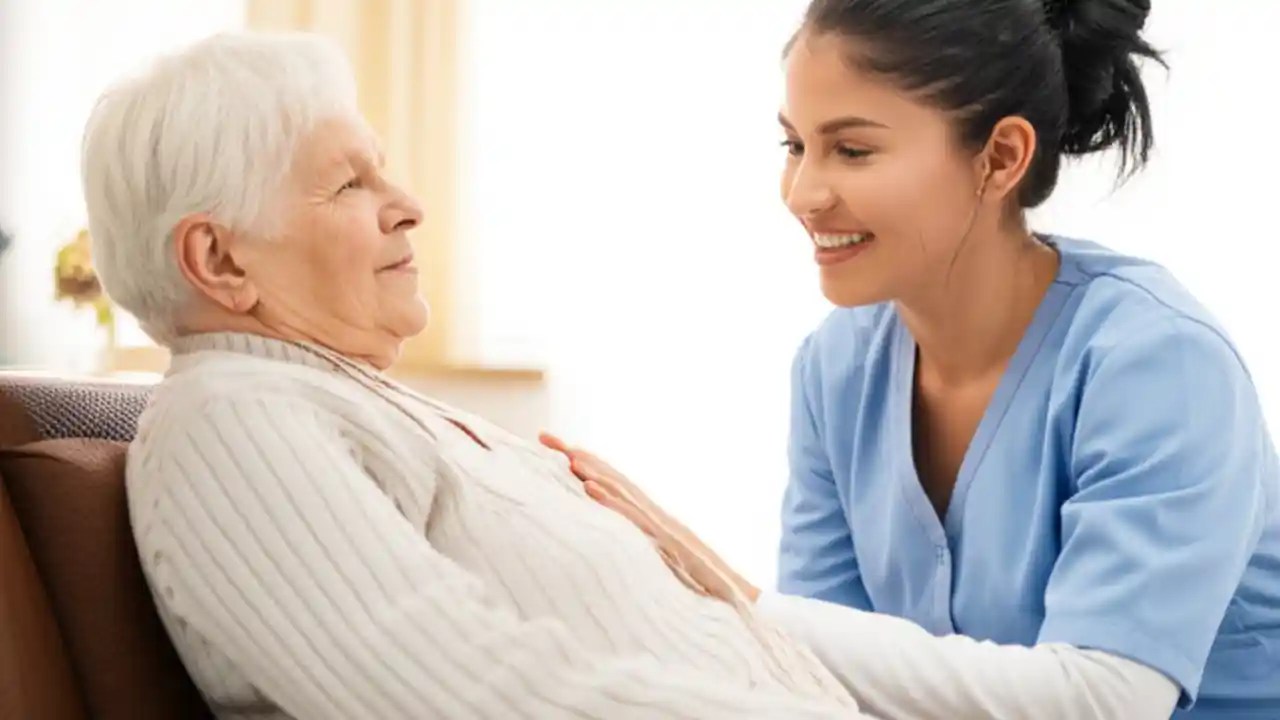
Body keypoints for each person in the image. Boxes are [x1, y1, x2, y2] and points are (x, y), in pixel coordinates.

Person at [81, 32, 867, 719]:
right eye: (351, 183)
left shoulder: (338, 397)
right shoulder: (231, 422)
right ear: (218, 260)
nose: (409, 206)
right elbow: (459, 694)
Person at [542, 1, 1280, 719]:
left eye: (852, 150)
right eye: (794, 146)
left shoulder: (1156, 362)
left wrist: (740, 600)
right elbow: (823, 683)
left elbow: (1103, 700)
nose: (802, 194)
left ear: (1000, 157)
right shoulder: (836, 371)